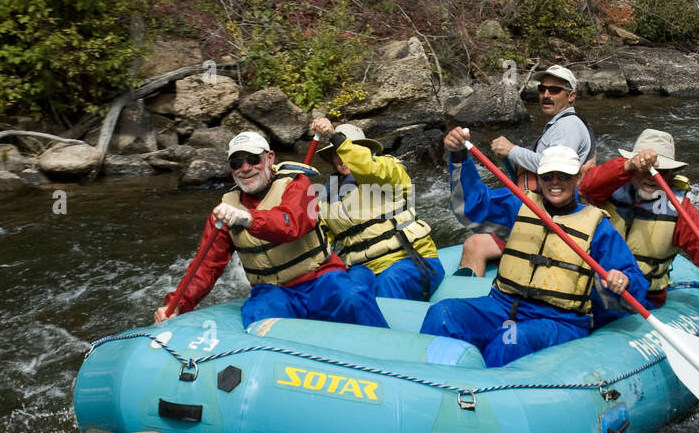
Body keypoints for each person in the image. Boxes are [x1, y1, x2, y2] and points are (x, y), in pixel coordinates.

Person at [420, 131, 649, 367]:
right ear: (539, 178)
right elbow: (471, 206)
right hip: (502, 307)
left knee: (510, 340)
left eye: (564, 175)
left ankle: (484, 395)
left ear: (577, 178)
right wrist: (459, 157)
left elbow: (632, 281)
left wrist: (622, 281)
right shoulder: (520, 204)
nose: (555, 182)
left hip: (557, 319)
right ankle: (431, 389)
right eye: (548, 176)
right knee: (443, 314)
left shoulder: (598, 226)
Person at [154, 131, 389, 330]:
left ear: (269, 158)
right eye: (237, 163)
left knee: (353, 298)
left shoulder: (298, 184)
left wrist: (248, 219)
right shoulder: (227, 208)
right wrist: (176, 304)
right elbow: (206, 267)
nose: (245, 168)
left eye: (253, 160)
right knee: (262, 313)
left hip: (321, 279)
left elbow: (293, 224)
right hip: (273, 291)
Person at [579, 129, 699, 315]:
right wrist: (628, 165)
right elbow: (586, 186)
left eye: (662, 171)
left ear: (671, 174)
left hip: (642, 298)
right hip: (592, 286)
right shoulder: (608, 186)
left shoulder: (679, 209)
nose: (652, 177)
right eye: (645, 169)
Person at [455, 64, 596, 277]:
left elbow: (554, 167)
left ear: (571, 96)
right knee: (476, 243)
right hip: (537, 209)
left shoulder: (569, 126)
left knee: (475, 234)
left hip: (550, 216)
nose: (546, 95)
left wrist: (512, 150)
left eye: (554, 90)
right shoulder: (559, 124)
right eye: (542, 89)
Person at [309, 118, 444, 301]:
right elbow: (319, 241)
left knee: (390, 280)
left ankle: (392, 329)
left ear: (365, 151)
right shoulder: (326, 196)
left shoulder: (388, 168)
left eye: (346, 148)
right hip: (364, 268)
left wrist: (334, 137)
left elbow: (368, 168)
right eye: (336, 152)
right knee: (345, 291)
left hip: (413, 259)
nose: (342, 157)